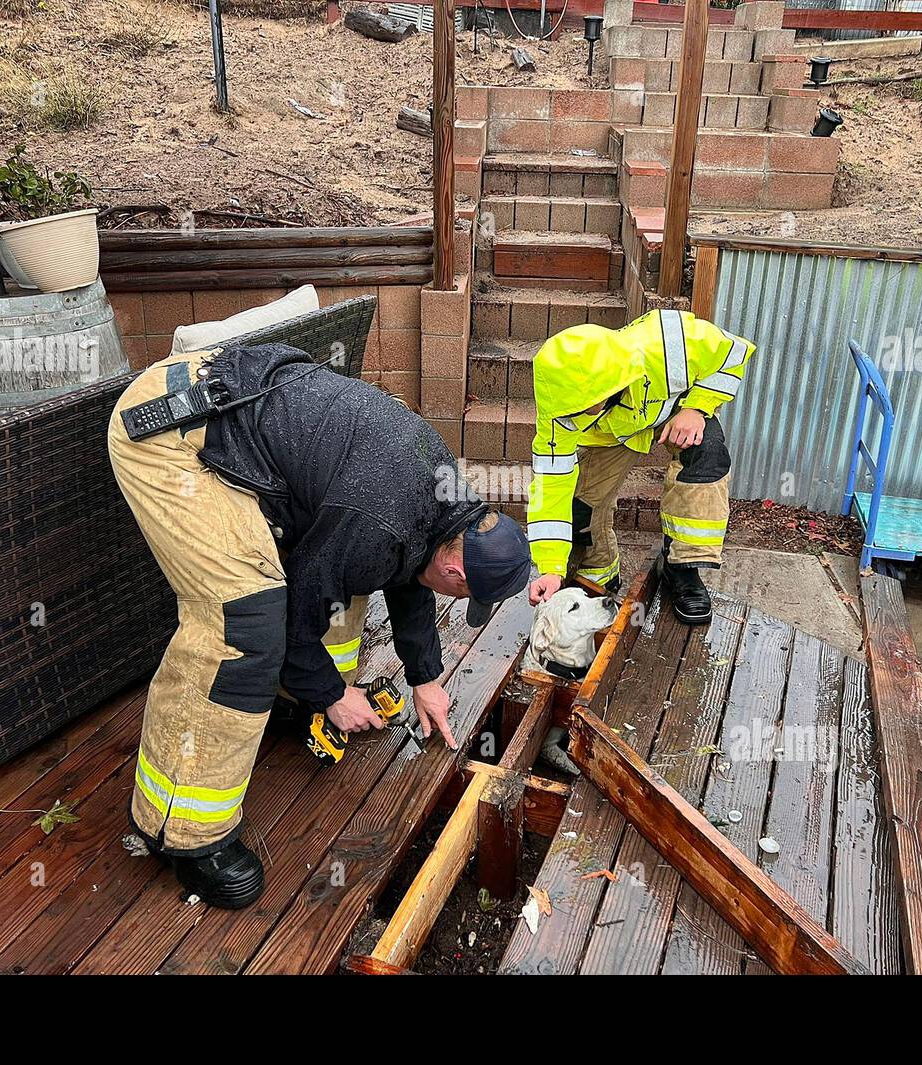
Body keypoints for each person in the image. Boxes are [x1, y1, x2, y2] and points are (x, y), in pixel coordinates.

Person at [107, 342, 531, 910]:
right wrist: (333, 694)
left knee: (341, 581)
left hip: (232, 409)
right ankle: (179, 829)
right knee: (244, 621)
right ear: (456, 568)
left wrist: (425, 678)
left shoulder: (443, 500)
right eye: (464, 595)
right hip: (172, 434)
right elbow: (302, 604)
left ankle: (291, 697)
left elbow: (410, 575)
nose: (457, 599)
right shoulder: (378, 520)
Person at [525, 308, 755, 625]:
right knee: (581, 506)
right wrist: (550, 566)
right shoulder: (560, 410)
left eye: (584, 404)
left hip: (677, 414)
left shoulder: (668, 342)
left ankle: (682, 569)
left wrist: (698, 407)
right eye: (572, 408)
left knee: (707, 455)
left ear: (609, 383)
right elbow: (550, 486)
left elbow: (734, 353)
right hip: (614, 433)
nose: (576, 414)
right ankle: (601, 574)